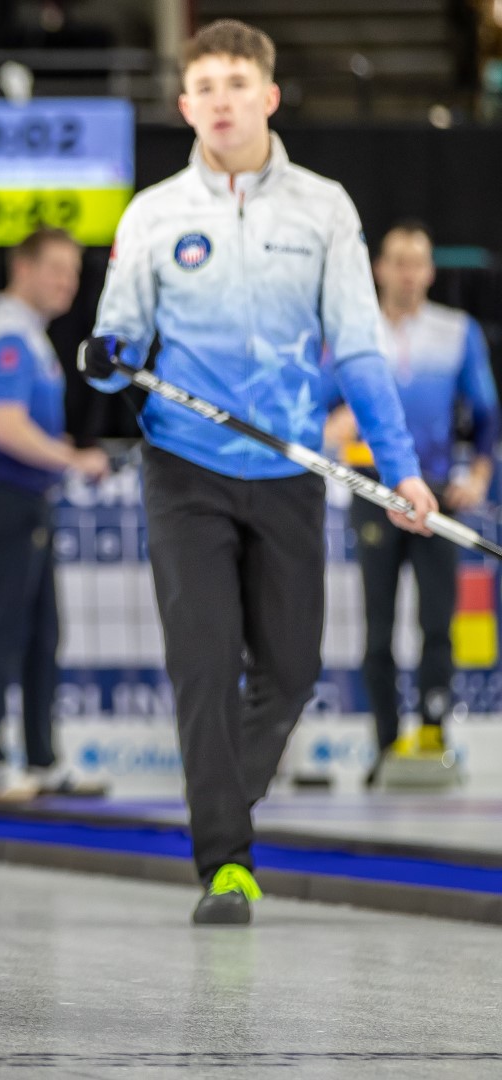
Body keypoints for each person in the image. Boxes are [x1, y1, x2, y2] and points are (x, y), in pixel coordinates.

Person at [82, 20, 435, 925]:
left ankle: (219, 807)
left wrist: (402, 471)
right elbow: (119, 342)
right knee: (204, 666)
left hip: (288, 464)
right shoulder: (153, 213)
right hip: (183, 466)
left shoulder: (324, 208)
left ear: (269, 96)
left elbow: (358, 350)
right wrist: (108, 358)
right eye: (206, 87)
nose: (223, 101)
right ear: (184, 104)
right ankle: (226, 864)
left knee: (290, 669)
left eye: (238, 84)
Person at [326, 222, 497, 781]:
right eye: (398, 261)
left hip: (436, 493)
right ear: (379, 268)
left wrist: (479, 474)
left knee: (437, 622)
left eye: (417, 262)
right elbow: (312, 409)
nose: (407, 273)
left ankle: (432, 738)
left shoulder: (456, 331)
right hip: (372, 488)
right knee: (377, 626)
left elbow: (487, 415)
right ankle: (384, 744)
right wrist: (333, 424)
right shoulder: (353, 330)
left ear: (430, 271)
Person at [0, 228, 113, 802]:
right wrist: (75, 458)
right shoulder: (7, 333)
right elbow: (5, 428)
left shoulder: (26, 332)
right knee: (6, 629)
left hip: (27, 496)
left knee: (42, 633)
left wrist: (61, 451)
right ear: (22, 268)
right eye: (57, 269)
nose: (68, 283)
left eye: (74, 271)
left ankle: (43, 759)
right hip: (7, 495)